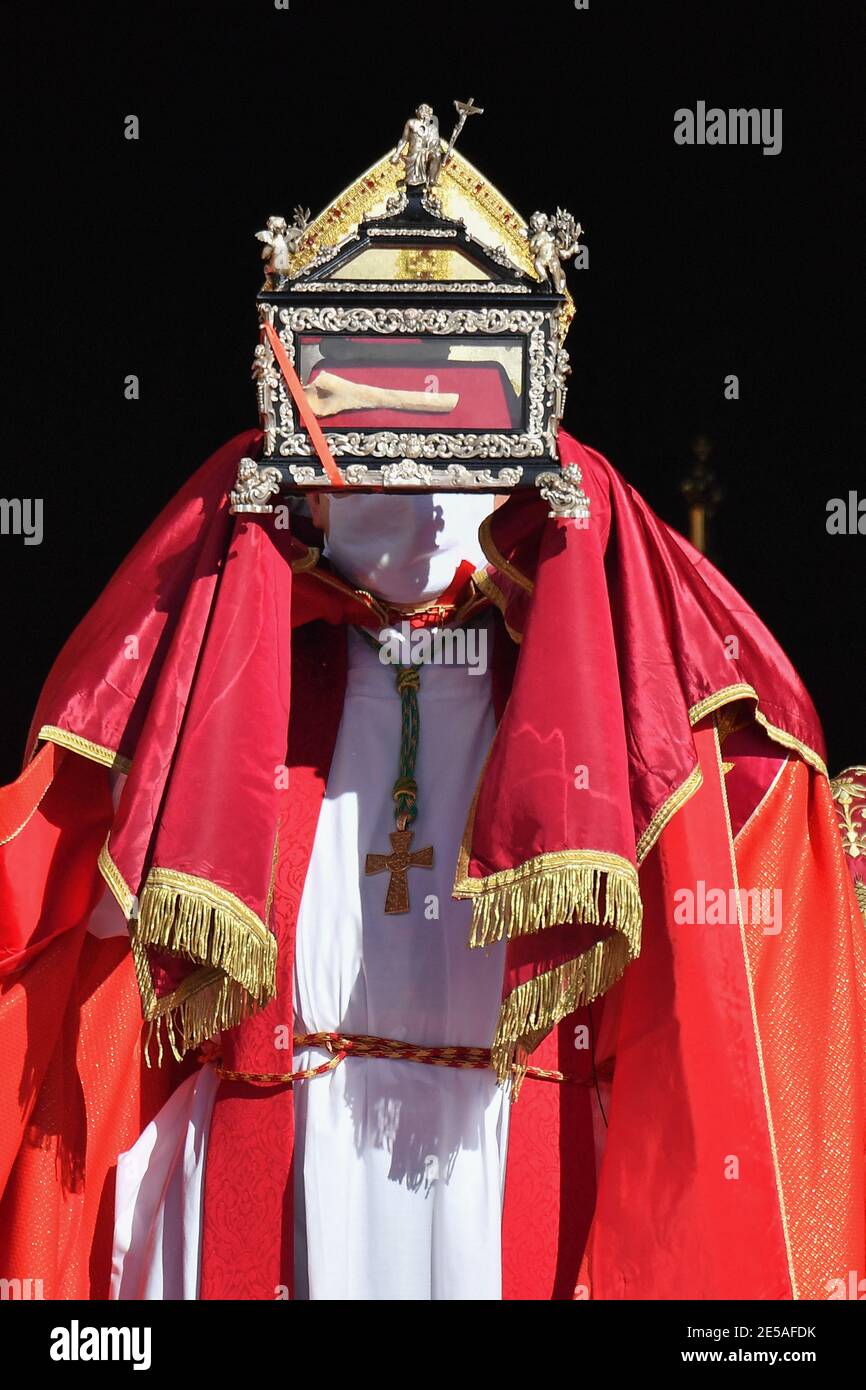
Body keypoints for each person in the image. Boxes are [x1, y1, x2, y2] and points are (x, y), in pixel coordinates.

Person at [1, 423, 864, 1302]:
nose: (408, 491)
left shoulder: (566, 659)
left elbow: (732, 775)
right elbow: (72, 876)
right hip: (277, 1128)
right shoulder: (245, 644)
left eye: (443, 449)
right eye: (360, 447)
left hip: (501, 1145)